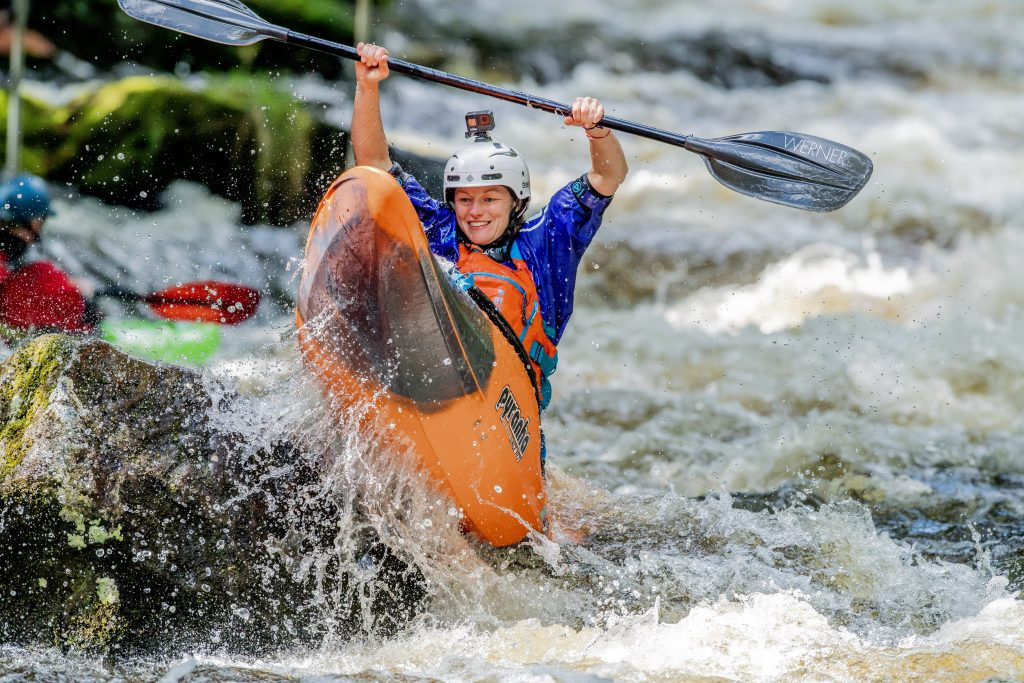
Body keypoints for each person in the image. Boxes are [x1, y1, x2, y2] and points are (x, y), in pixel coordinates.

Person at [351, 42, 628, 415]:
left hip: (508, 415)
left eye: (490, 199)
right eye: (465, 199)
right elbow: (374, 165)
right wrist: (367, 86)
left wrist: (597, 132)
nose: (475, 212)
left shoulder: (546, 242)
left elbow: (608, 175)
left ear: (516, 202)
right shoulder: (440, 230)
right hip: (437, 393)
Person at [0, 173, 97, 334]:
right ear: (33, 220)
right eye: (42, 219)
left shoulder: (11, 249)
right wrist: (71, 291)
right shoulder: (28, 268)